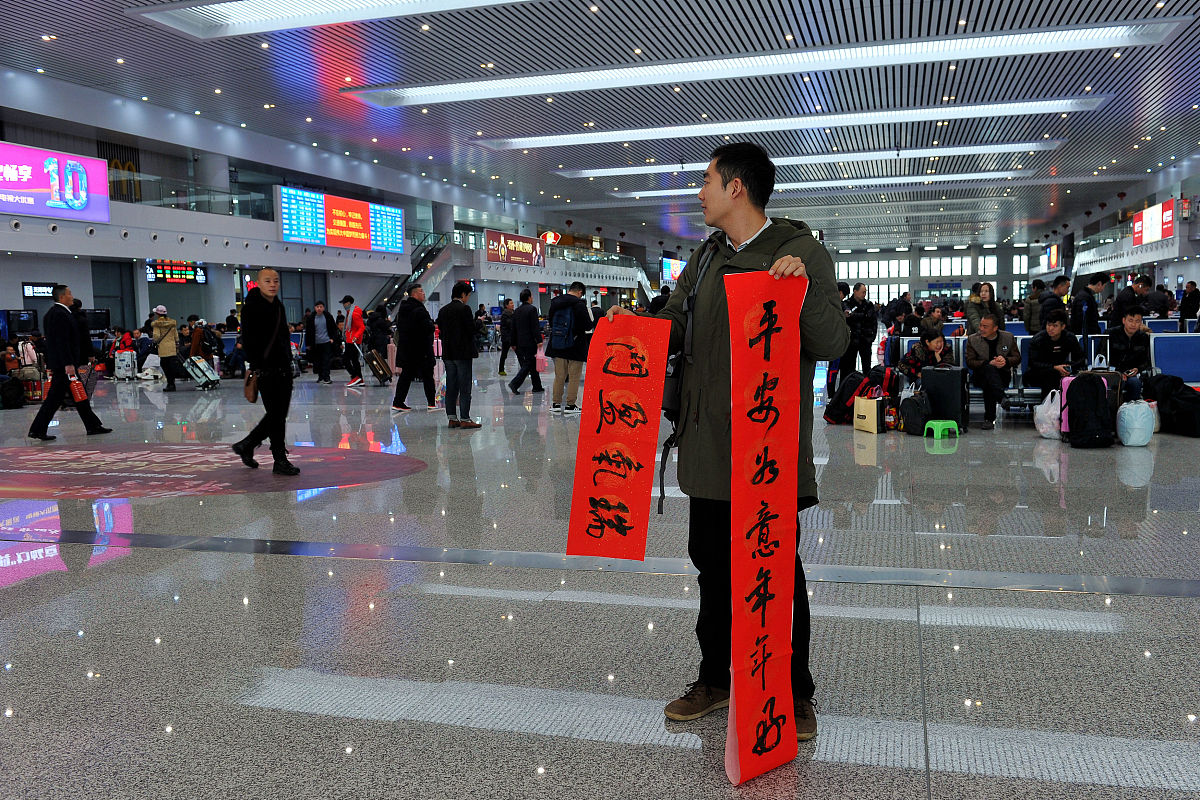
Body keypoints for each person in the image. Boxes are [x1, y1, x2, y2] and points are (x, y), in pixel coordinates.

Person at [607, 141, 848, 741]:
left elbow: (833, 343)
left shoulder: (798, 251)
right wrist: (627, 338)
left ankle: (796, 691)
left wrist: (802, 291)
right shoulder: (708, 256)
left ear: (736, 187)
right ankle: (716, 678)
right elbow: (676, 322)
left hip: (764, 453)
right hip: (708, 447)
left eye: (707, 180)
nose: (700, 191)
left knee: (775, 572)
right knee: (713, 569)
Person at [232, 269, 300, 475]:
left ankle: (248, 444)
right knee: (276, 416)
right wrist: (258, 364)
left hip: (284, 368)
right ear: (258, 284)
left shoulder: (278, 305)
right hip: (266, 370)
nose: (273, 284)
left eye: (276, 281)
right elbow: (249, 340)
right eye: (268, 281)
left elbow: (282, 338)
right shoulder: (251, 307)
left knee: (279, 415)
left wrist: (289, 362)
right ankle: (278, 459)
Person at [27, 285, 110, 440]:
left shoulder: (54, 313)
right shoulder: (60, 314)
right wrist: (68, 363)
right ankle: (37, 429)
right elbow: (61, 341)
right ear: (62, 297)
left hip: (62, 363)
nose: (72, 296)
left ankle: (92, 425)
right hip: (64, 364)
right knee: (57, 397)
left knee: (76, 394)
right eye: (69, 293)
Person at [435, 281, 482, 429]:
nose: (467, 298)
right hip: (463, 353)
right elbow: (471, 330)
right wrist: (479, 323)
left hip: (448, 353)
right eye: (467, 295)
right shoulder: (464, 309)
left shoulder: (443, 310)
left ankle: (452, 418)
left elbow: (441, 330)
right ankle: (465, 418)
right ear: (463, 294)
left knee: (452, 386)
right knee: (465, 386)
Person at [965, 313, 1020, 430]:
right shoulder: (973, 339)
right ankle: (1001, 398)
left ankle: (989, 419)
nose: (981, 329)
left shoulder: (1008, 337)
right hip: (980, 376)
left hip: (1002, 376)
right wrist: (987, 363)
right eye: (981, 325)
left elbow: (1017, 358)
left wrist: (1005, 360)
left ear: (995, 328)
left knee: (989, 383)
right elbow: (970, 362)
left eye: (985, 327)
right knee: (988, 372)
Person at [545, 281, 591, 414]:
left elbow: (551, 321)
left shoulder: (555, 302)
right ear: (580, 292)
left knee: (559, 376)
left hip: (558, 344)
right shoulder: (579, 304)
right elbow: (587, 325)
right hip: (575, 345)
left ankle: (556, 404)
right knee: (574, 376)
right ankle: (571, 405)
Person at [391, 284, 438, 412]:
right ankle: (431, 403)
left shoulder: (403, 310)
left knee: (406, 375)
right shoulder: (419, 310)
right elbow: (428, 327)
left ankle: (398, 402)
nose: (424, 293)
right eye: (421, 291)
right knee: (428, 375)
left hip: (407, 349)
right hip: (421, 349)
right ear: (414, 294)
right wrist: (432, 326)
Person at [1025, 308, 1085, 399]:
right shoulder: (1038, 340)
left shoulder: (1069, 338)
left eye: (1055, 326)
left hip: (1061, 372)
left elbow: (1080, 359)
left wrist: (1068, 367)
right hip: (1038, 373)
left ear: (1063, 326)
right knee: (1051, 376)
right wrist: (1054, 367)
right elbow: (1033, 363)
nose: (1050, 328)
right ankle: (1049, 406)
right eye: (1048, 325)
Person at [1107, 306, 1152, 401]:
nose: (1133, 324)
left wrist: (1138, 369)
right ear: (1124, 320)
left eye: (1137, 321)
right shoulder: (1111, 334)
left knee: (1135, 383)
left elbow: (1146, 361)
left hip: (1133, 374)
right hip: (1113, 372)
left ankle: (1131, 411)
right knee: (1118, 383)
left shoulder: (1143, 338)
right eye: (1130, 320)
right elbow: (1103, 356)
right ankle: (1113, 412)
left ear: (1141, 323)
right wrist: (1117, 372)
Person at [508, 288, 544, 395]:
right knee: (529, 363)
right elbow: (535, 327)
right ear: (528, 297)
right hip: (530, 342)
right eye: (532, 296)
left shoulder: (517, 311)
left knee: (532, 363)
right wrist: (539, 340)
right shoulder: (532, 309)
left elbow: (513, 328)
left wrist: (513, 342)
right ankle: (515, 383)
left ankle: (537, 386)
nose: (532, 298)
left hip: (520, 342)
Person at [840, 282, 875, 381]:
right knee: (848, 367)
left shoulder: (868, 304)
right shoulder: (846, 304)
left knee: (867, 367)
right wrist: (862, 316)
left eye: (865, 292)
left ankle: (867, 388)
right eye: (862, 292)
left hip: (865, 340)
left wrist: (872, 338)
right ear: (855, 291)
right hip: (851, 341)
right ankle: (848, 388)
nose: (864, 294)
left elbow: (872, 320)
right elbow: (848, 316)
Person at [305, 300, 339, 384]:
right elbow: (308, 332)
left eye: (321, 307)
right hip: (315, 343)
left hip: (326, 341)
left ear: (323, 308)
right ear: (315, 308)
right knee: (318, 361)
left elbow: (334, 328)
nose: (319, 308)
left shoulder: (328, 316)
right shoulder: (311, 318)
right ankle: (320, 377)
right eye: (317, 307)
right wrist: (308, 344)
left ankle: (326, 377)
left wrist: (332, 339)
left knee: (326, 360)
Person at [150, 305, 182, 391]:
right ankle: (173, 383)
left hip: (163, 348)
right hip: (172, 347)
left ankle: (170, 384)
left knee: (165, 366)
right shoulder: (172, 323)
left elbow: (156, 337)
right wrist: (176, 344)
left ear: (157, 314)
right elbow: (176, 336)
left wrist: (155, 341)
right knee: (172, 366)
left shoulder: (157, 324)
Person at [1070, 273, 1109, 338]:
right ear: (1099, 284)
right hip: (1085, 337)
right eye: (1104, 286)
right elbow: (1082, 320)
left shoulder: (1085, 295)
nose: (1103, 289)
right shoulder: (1085, 297)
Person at [340, 294, 365, 387]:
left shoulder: (354, 314)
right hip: (351, 340)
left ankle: (355, 376)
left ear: (348, 303)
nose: (343, 305)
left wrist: (355, 336)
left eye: (344, 303)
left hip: (353, 341)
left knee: (346, 360)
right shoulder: (350, 312)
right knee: (354, 360)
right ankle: (360, 379)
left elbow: (362, 327)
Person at [497, 298, 515, 376]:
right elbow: (509, 324)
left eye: (512, 303)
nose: (513, 304)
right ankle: (501, 369)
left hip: (512, 336)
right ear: (506, 305)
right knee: (504, 354)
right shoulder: (505, 314)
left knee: (519, 353)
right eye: (511, 303)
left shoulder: (512, 313)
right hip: (507, 337)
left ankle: (524, 369)